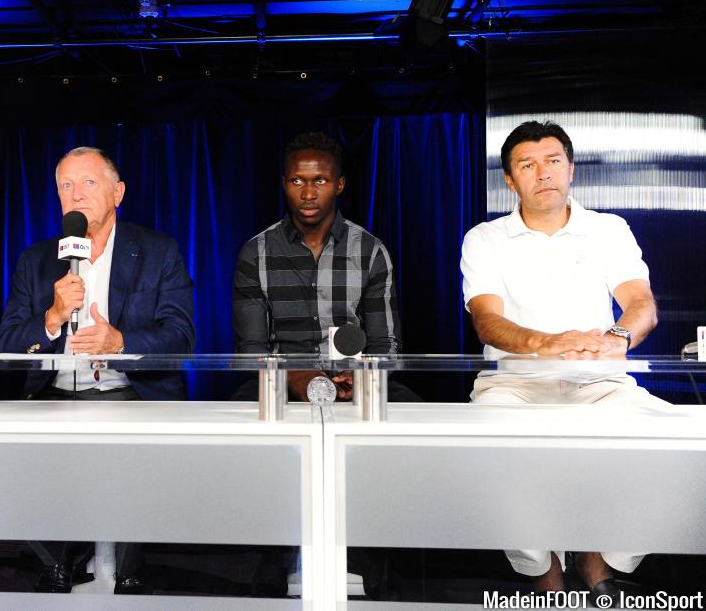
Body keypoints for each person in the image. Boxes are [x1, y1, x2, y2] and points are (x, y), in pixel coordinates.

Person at [460, 120, 670, 599]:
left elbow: (641, 304)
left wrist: (618, 337)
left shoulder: (608, 229)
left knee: (660, 449)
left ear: (571, 169)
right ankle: (544, 574)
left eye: (553, 161)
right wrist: (545, 343)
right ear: (510, 181)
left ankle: (600, 560)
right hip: (513, 386)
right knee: (498, 459)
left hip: (598, 382)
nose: (543, 173)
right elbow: (486, 321)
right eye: (527, 165)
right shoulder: (485, 239)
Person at [0, 146, 195, 594]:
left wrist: (119, 342)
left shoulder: (158, 251)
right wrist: (52, 317)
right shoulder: (37, 260)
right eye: (66, 185)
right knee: (11, 455)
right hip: (53, 395)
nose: (76, 194)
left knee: (134, 456)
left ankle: (128, 565)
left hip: (131, 393)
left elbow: (181, 337)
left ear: (117, 192)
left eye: (88, 182)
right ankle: (60, 556)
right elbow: (4, 346)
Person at [232, 131, 413, 599]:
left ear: (340, 184)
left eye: (320, 180)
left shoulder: (370, 251)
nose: (308, 192)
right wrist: (292, 378)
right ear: (284, 184)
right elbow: (250, 349)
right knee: (235, 422)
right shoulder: (258, 252)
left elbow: (387, 347)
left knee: (408, 422)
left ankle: (380, 572)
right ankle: (267, 570)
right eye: (297, 180)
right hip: (279, 386)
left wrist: (358, 378)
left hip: (355, 384)